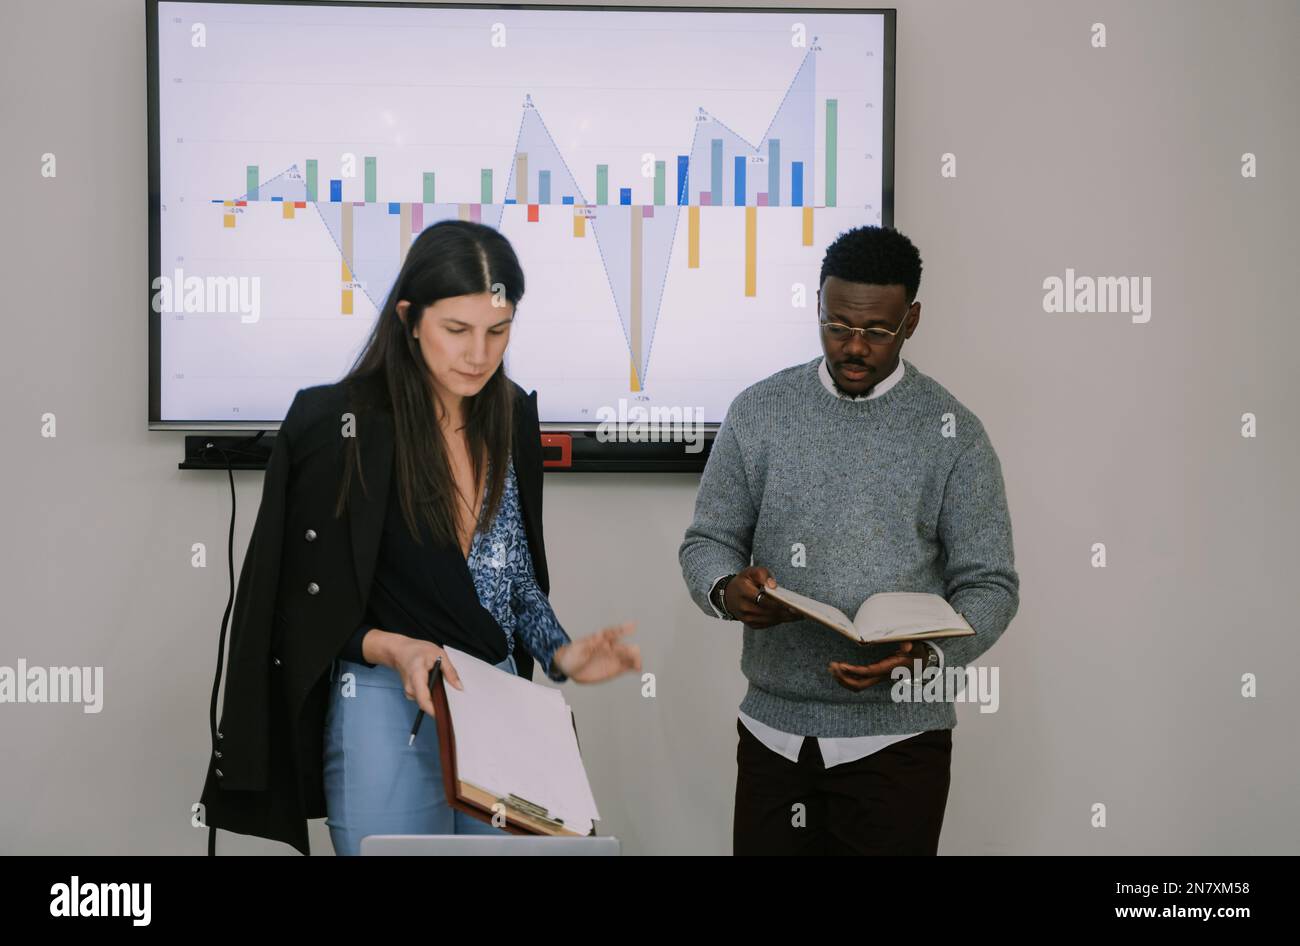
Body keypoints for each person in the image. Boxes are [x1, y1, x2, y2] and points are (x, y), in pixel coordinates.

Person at [199, 220, 641, 856]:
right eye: (456, 331)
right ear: (409, 318)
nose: (479, 355)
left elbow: (509, 577)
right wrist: (394, 648)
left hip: (498, 701)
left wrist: (560, 654)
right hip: (384, 701)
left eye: (498, 331)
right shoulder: (339, 425)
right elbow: (296, 605)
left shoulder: (510, 414)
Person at [678, 225, 1019, 855]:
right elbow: (707, 541)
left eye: (877, 331)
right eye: (837, 326)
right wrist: (727, 591)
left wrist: (934, 662)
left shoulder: (954, 434)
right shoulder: (760, 411)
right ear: (817, 306)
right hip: (773, 738)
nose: (854, 346)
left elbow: (990, 583)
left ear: (911, 320)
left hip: (899, 745)